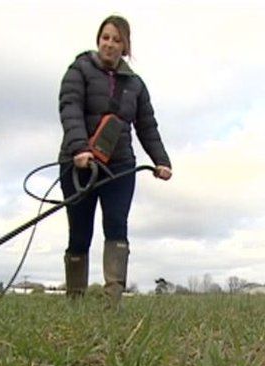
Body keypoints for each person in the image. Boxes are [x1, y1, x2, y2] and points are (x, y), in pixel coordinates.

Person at [58, 14, 172, 303]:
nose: (109, 44)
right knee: (80, 232)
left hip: (119, 167)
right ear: (98, 40)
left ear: (126, 46)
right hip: (79, 164)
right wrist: (80, 148)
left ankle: (112, 301)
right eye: (105, 37)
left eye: (117, 40)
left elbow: (147, 126)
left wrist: (161, 160)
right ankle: (75, 300)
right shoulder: (79, 70)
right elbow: (70, 109)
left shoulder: (136, 85)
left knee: (116, 225)